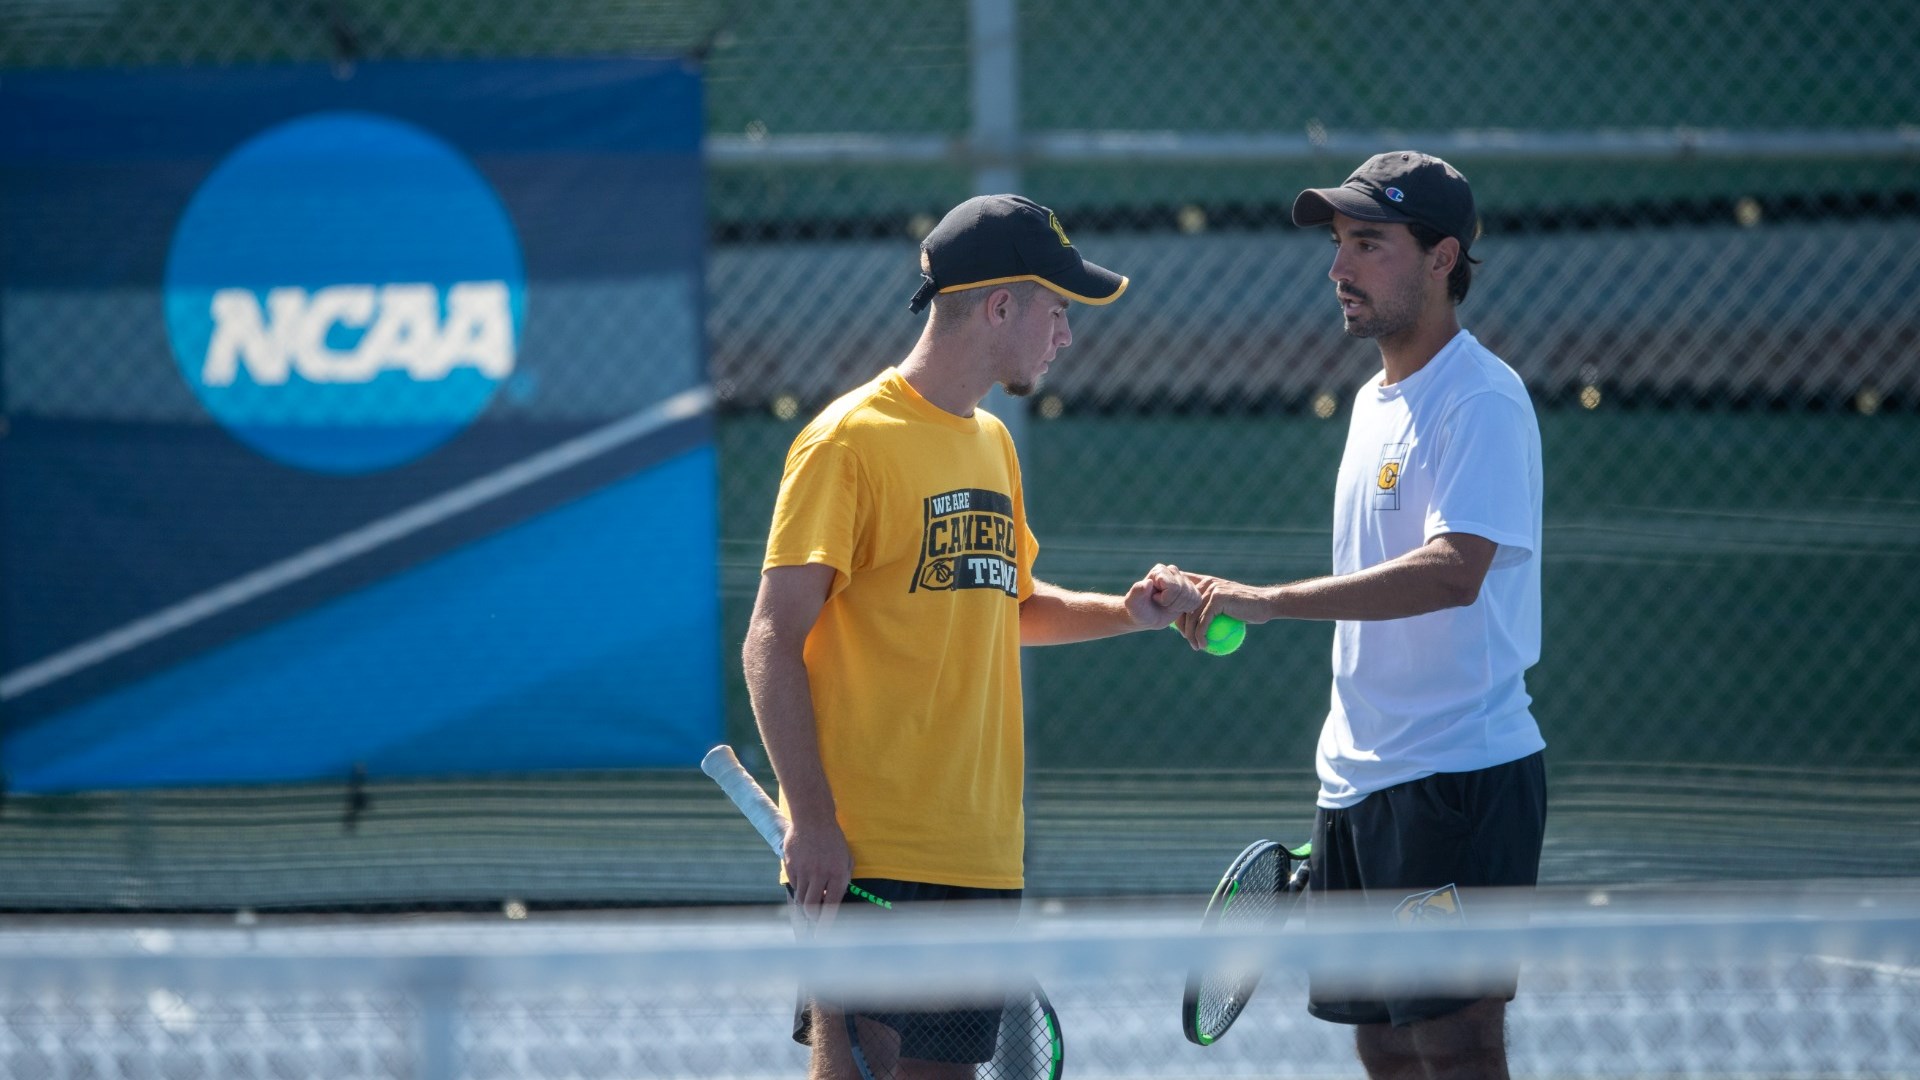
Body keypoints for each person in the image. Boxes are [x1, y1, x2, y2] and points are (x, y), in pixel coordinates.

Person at [743, 193, 1198, 1080]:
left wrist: (1128, 611)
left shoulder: (994, 443)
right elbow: (771, 637)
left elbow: (1011, 605)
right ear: (1001, 306)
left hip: (978, 855)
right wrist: (818, 822)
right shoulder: (844, 442)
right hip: (866, 852)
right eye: (1057, 311)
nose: (1065, 336)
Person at [1175, 152, 1547, 1080]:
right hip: (1355, 789)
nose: (1338, 270)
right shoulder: (1371, 404)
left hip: (1459, 783)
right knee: (1383, 1044)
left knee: (1456, 1047)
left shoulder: (1482, 398)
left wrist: (1265, 602)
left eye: (1368, 244)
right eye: (1339, 245)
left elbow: (1452, 571)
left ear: (1440, 256)